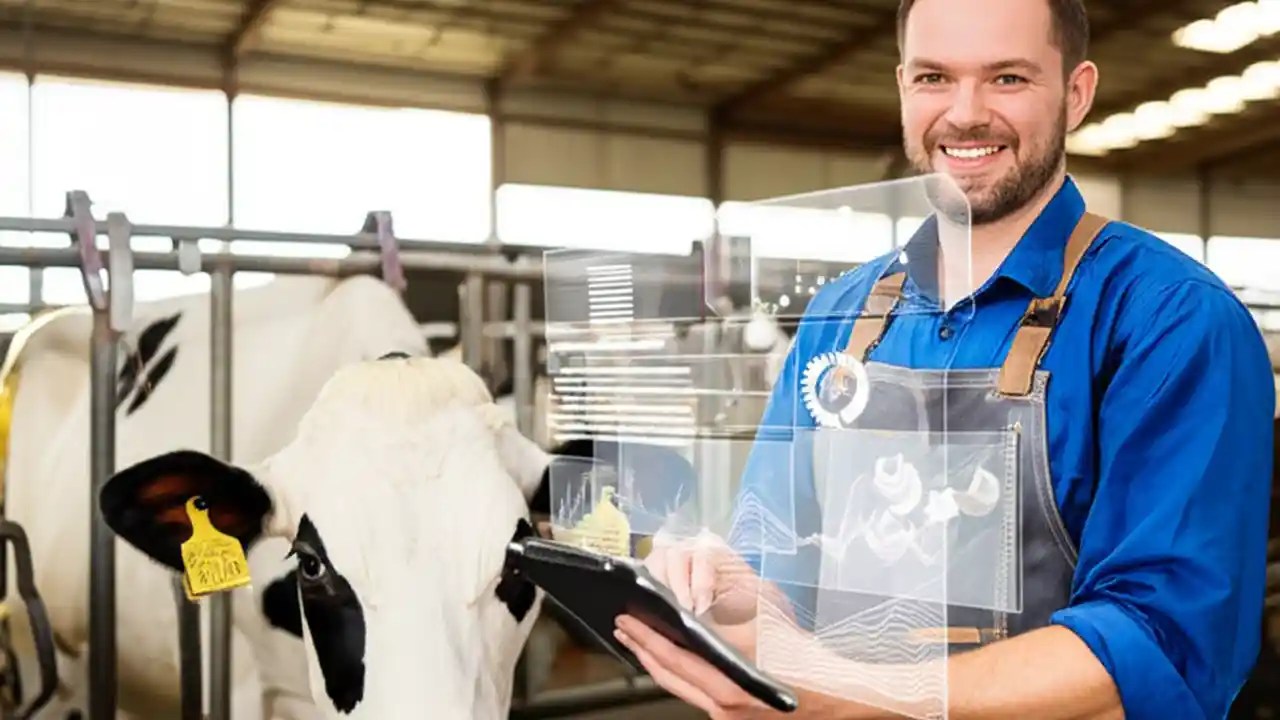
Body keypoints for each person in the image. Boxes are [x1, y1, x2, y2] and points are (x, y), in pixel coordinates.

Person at [611, 0, 1277, 718]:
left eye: (1008, 79)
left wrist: (851, 699)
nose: (965, 114)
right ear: (903, 88)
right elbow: (778, 575)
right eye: (934, 77)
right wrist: (724, 591)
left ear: (1076, 93)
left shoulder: (1168, 320)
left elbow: (1157, 645)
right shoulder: (838, 319)